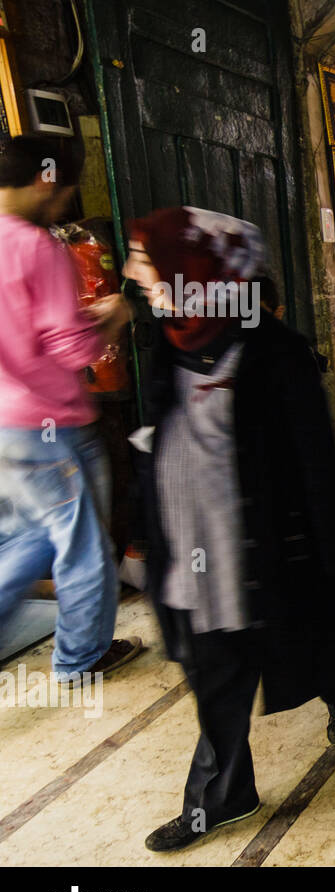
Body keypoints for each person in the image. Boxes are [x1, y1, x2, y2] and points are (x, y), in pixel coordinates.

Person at [124, 207, 335, 852]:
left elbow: (315, 459)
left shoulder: (278, 355)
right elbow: (154, 447)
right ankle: (224, 795)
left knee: (318, 642)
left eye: (148, 263)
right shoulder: (169, 344)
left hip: (269, 546)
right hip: (192, 552)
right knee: (216, 676)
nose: (135, 276)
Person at [0, 134, 141, 681]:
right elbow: (73, 350)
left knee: (32, 538)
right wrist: (112, 314)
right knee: (82, 549)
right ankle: (81, 658)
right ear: (46, 179)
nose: (65, 203)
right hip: (52, 425)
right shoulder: (37, 248)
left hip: (8, 426)